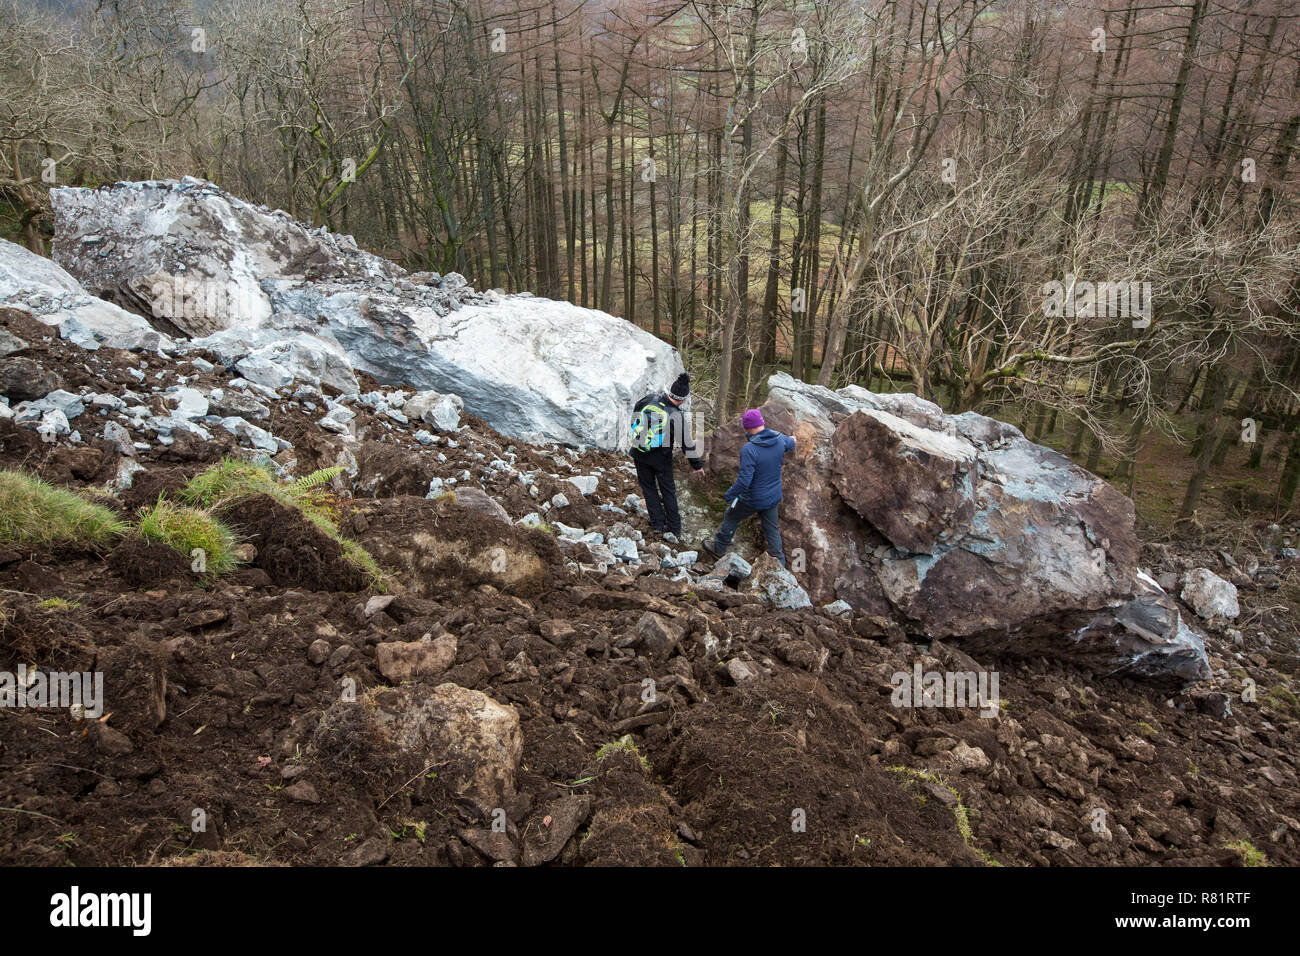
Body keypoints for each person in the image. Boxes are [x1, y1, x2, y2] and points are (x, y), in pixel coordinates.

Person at [700, 408, 796, 567]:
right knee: (771, 529)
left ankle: (718, 547)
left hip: (752, 498)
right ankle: (779, 565)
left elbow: (744, 481)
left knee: (731, 514)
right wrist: (793, 438)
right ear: (762, 424)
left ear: (747, 428)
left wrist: (730, 494)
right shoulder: (780, 439)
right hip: (772, 497)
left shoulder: (749, 449)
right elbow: (792, 442)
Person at [628, 372, 704, 539]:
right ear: (683, 399)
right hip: (661, 459)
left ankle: (657, 525)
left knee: (648, 489)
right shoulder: (675, 415)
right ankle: (674, 529)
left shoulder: (649, 399)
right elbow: (687, 443)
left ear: (670, 392)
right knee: (668, 491)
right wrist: (697, 466)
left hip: (639, 452)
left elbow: (635, 415)